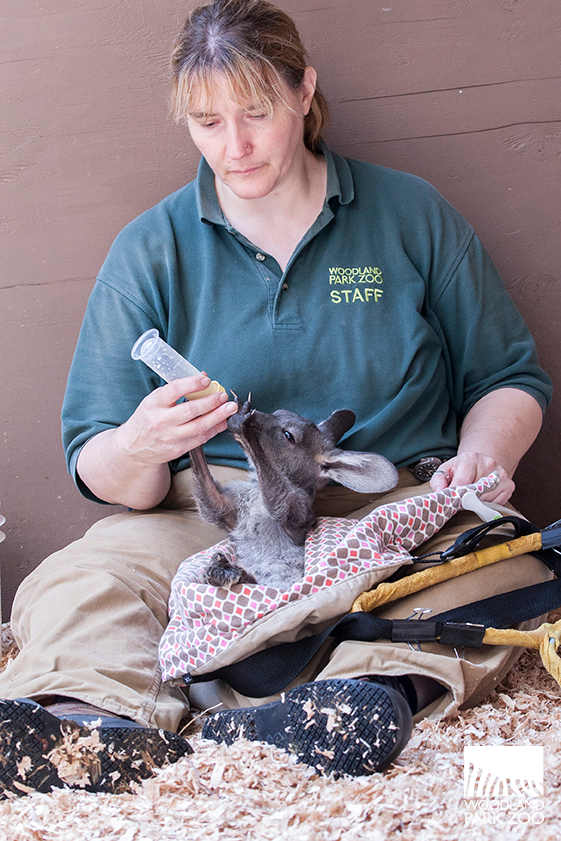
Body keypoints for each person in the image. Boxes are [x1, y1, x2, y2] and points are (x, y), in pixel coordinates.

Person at [0, 0, 553, 796]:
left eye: (254, 113)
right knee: (80, 580)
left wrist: (481, 457)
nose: (235, 147)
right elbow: (98, 462)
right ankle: (90, 722)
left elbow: (508, 378)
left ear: (304, 91)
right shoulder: (151, 250)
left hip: (390, 504)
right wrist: (141, 445)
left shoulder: (408, 215)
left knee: (501, 566)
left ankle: (352, 703)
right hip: (210, 514)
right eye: (207, 122)